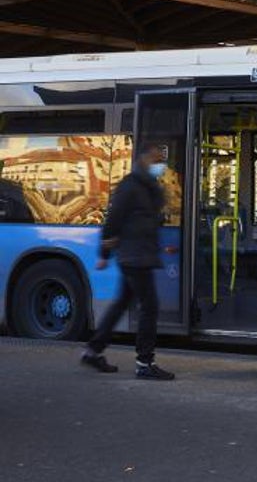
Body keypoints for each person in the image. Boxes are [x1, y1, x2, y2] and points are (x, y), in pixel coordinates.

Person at [80, 143, 174, 380]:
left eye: (161, 160)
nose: (160, 164)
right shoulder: (130, 186)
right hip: (134, 256)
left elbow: (146, 216)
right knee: (150, 306)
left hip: (139, 253)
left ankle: (93, 351)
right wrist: (103, 255)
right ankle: (144, 363)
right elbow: (113, 221)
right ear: (143, 158)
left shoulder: (147, 186)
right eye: (156, 158)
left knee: (122, 302)